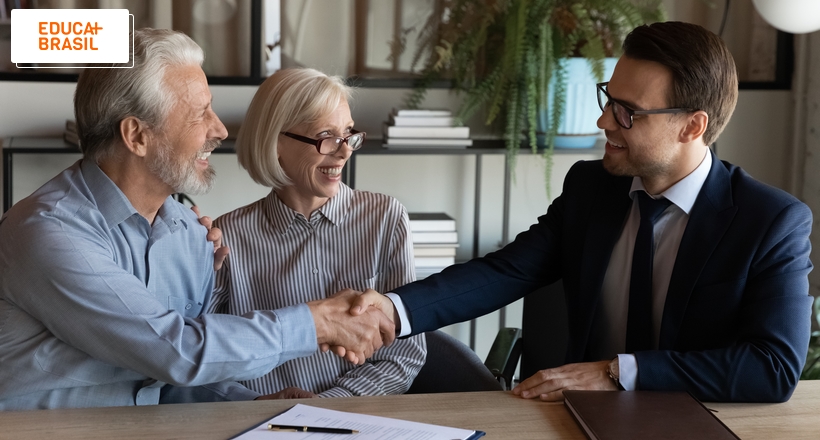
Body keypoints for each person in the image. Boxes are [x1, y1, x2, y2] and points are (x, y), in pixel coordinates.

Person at [351, 21, 813, 403]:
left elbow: (771, 368)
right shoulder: (591, 188)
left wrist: (618, 372)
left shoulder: (770, 222)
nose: (603, 121)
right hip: (579, 418)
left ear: (692, 126)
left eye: (628, 112)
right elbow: (505, 271)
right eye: (608, 99)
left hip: (699, 424)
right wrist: (393, 309)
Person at [0, 28, 392, 411]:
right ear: (137, 136)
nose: (219, 129)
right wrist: (317, 323)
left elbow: (165, 382)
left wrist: (250, 404)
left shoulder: (191, 235)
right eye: (199, 114)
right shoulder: (48, 232)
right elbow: (175, 351)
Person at [206, 68, 426, 399]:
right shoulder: (227, 237)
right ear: (276, 142)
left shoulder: (385, 218)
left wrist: (329, 404)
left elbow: (404, 355)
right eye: (327, 136)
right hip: (260, 419)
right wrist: (255, 402)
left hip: (358, 419)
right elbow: (202, 355)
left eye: (348, 134)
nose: (345, 151)